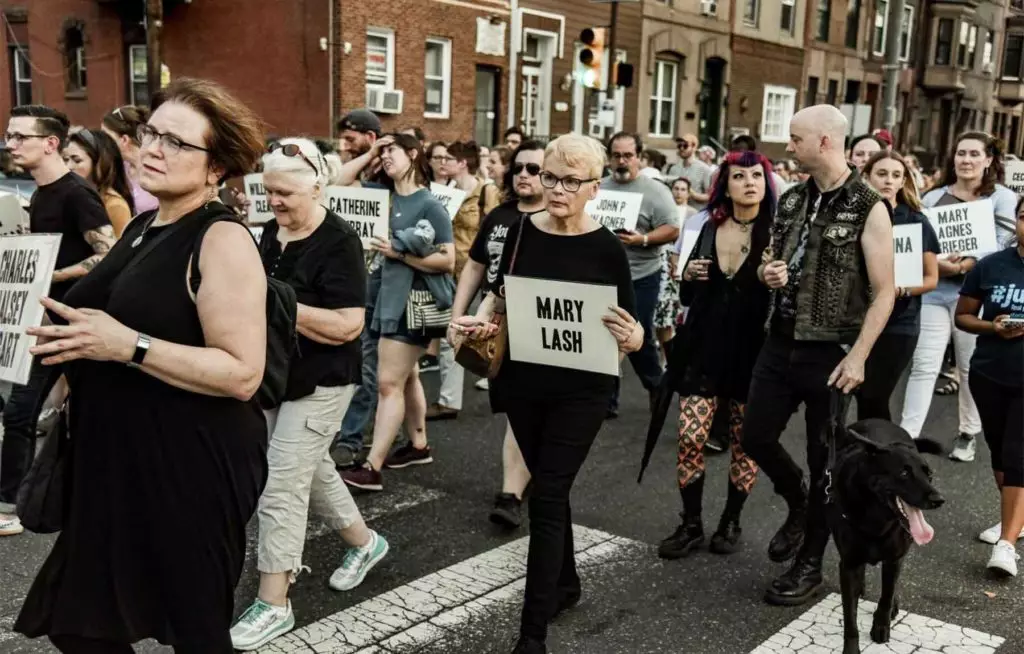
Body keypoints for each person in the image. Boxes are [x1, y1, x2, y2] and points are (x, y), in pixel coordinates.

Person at [13, 78, 269, 652]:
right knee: (77, 622)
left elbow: (243, 372)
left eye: (177, 143)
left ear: (216, 168)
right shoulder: (140, 227)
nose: (152, 148)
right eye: (152, 133)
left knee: (194, 632)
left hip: (188, 465)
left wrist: (129, 345)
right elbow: (91, 324)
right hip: (113, 460)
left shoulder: (221, 238)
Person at [451, 133, 642, 654]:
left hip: (581, 390)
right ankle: (567, 584)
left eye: (569, 182)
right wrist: (477, 326)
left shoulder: (606, 249)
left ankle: (531, 635)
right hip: (523, 383)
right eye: (549, 176)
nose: (555, 188)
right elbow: (501, 296)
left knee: (548, 496)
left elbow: (632, 328)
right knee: (553, 496)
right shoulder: (517, 233)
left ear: (594, 189)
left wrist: (636, 339)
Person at [229, 138, 387, 650]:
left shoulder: (339, 241)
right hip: (279, 375)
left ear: (318, 187)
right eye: (268, 191)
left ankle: (275, 603)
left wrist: (277, 302)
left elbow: (347, 325)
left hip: (326, 381)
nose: (274, 201)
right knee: (309, 469)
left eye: (286, 193)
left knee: (280, 483)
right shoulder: (269, 233)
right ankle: (366, 544)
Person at [742, 105, 895, 606]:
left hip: (831, 351)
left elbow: (885, 291)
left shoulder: (867, 205)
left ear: (825, 142)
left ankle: (809, 565)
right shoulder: (789, 199)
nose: (788, 146)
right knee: (755, 436)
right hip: (779, 340)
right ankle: (796, 499)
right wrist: (769, 273)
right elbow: (773, 259)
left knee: (824, 460)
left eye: (795, 138)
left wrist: (859, 359)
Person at [650, 150, 776, 560]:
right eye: (739, 176)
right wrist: (686, 275)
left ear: (766, 183)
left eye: (756, 176)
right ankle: (690, 523)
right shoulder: (703, 225)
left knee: (744, 443)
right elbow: (686, 292)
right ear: (726, 184)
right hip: (703, 346)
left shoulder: (777, 231)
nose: (749, 183)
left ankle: (731, 520)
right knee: (690, 437)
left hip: (752, 353)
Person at [0, 106, 113, 538]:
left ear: (50, 143)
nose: (10, 145)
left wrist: (50, 274)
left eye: (19, 137)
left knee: (26, 411)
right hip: (46, 319)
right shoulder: (40, 193)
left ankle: (15, 504)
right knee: (26, 412)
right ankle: (23, 498)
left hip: (74, 322)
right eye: (9, 136)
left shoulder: (75, 194)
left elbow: (109, 252)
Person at [340, 134, 455, 492]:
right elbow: (336, 185)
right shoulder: (381, 195)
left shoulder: (429, 205)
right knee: (407, 378)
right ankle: (418, 445)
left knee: (388, 383)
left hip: (409, 304)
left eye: (392, 150)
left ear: (413, 154)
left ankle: (372, 468)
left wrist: (401, 254)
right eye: (383, 151)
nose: (386, 157)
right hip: (381, 299)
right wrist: (370, 153)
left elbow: (448, 259)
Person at [900, 132, 1018, 463]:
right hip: (935, 292)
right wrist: (935, 264)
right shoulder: (933, 196)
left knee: (968, 366)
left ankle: (968, 432)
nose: (966, 160)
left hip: (976, 296)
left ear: (989, 160)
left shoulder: (1001, 199)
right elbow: (919, 240)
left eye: (974, 154)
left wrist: (965, 264)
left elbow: (1001, 243)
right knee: (924, 364)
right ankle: (906, 438)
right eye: (960, 153)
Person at [448, 139, 546, 528]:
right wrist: (458, 314)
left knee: (535, 410)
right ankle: (513, 490)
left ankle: (516, 490)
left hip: (539, 326)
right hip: (496, 324)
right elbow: (474, 266)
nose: (524, 174)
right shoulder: (499, 215)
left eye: (534, 169)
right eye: (519, 167)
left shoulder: (558, 219)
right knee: (517, 409)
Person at [955, 201, 1024, 576]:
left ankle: (1007, 545)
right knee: (1000, 453)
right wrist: (993, 327)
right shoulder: (991, 265)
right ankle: (1016, 517)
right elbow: (963, 316)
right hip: (990, 374)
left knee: (1017, 455)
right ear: (1016, 221)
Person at [857, 151, 940, 421]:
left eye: (896, 175)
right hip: (856, 319)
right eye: (881, 174)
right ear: (866, 177)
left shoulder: (917, 221)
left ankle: (883, 455)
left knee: (874, 395)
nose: (888, 181)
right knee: (855, 394)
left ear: (904, 181)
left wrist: (901, 289)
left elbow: (931, 279)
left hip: (899, 323)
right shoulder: (854, 218)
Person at [603, 132, 679, 418]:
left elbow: (672, 228)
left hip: (642, 274)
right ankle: (607, 399)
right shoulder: (599, 187)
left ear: (639, 157)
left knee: (637, 333)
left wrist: (642, 240)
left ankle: (656, 384)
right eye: (616, 155)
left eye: (628, 155)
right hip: (604, 275)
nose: (622, 161)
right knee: (604, 334)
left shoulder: (655, 191)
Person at [427, 142, 500, 421]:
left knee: (485, 334)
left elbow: (495, 232)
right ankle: (449, 400)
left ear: (463, 164)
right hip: (447, 272)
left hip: (478, 273)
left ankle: (497, 382)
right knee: (452, 334)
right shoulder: (442, 193)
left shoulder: (486, 192)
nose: (442, 163)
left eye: (449, 159)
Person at [63, 128, 136, 236]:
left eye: (77, 160)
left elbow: (117, 250)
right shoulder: (70, 196)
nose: (68, 167)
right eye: (65, 159)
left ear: (99, 162)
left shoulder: (114, 205)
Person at [101, 105, 159, 213]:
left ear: (124, 140)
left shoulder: (155, 168)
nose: (101, 143)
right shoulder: (117, 169)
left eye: (105, 137)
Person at [664, 134, 713, 208]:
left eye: (685, 146)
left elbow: (709, 196)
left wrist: (692, 193)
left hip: (696, 213)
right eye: (679, 146)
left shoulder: (704, 169)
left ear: (694, 147)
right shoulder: (673, 168)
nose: (681, 148)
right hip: (677, 212)